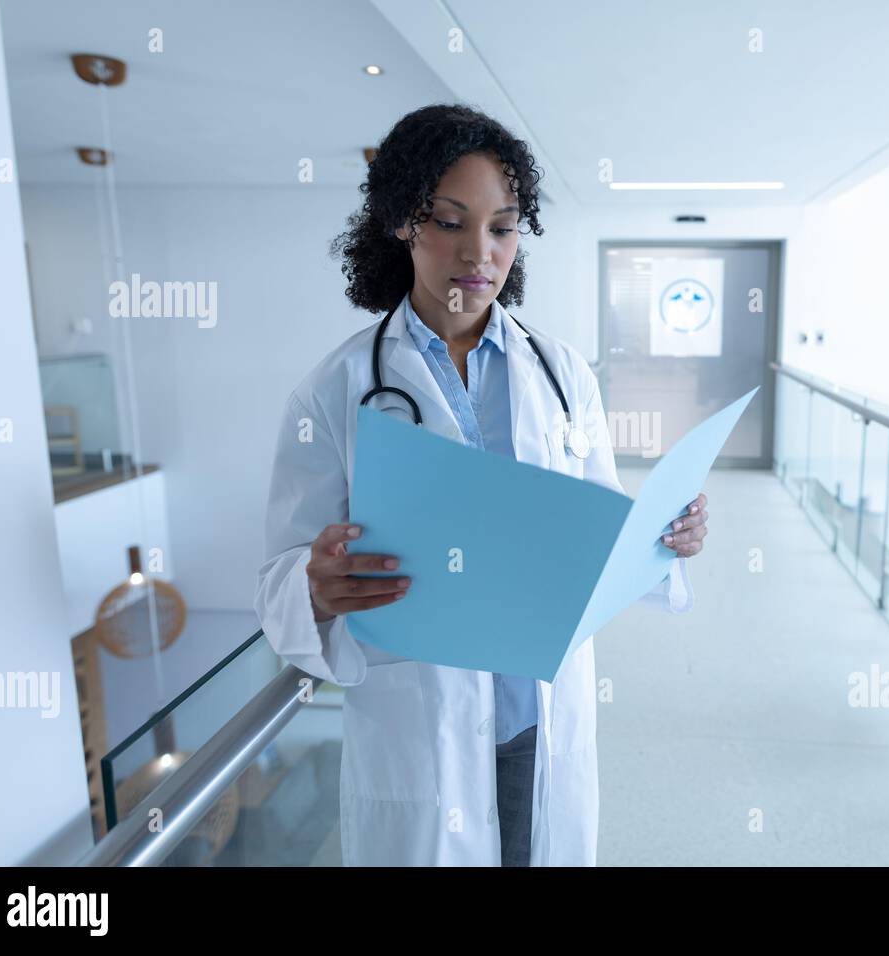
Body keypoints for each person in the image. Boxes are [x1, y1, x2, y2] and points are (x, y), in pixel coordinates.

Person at [254, 103, 710, 866]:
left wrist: (663, 537)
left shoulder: (563, 375)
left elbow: (598, 529)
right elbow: (279, 579)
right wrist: (314, 585)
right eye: (449, 220)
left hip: (541, 719)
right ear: (403, 221)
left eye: (502, 226)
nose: (479, 252)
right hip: (422, 728)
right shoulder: (332, 392)